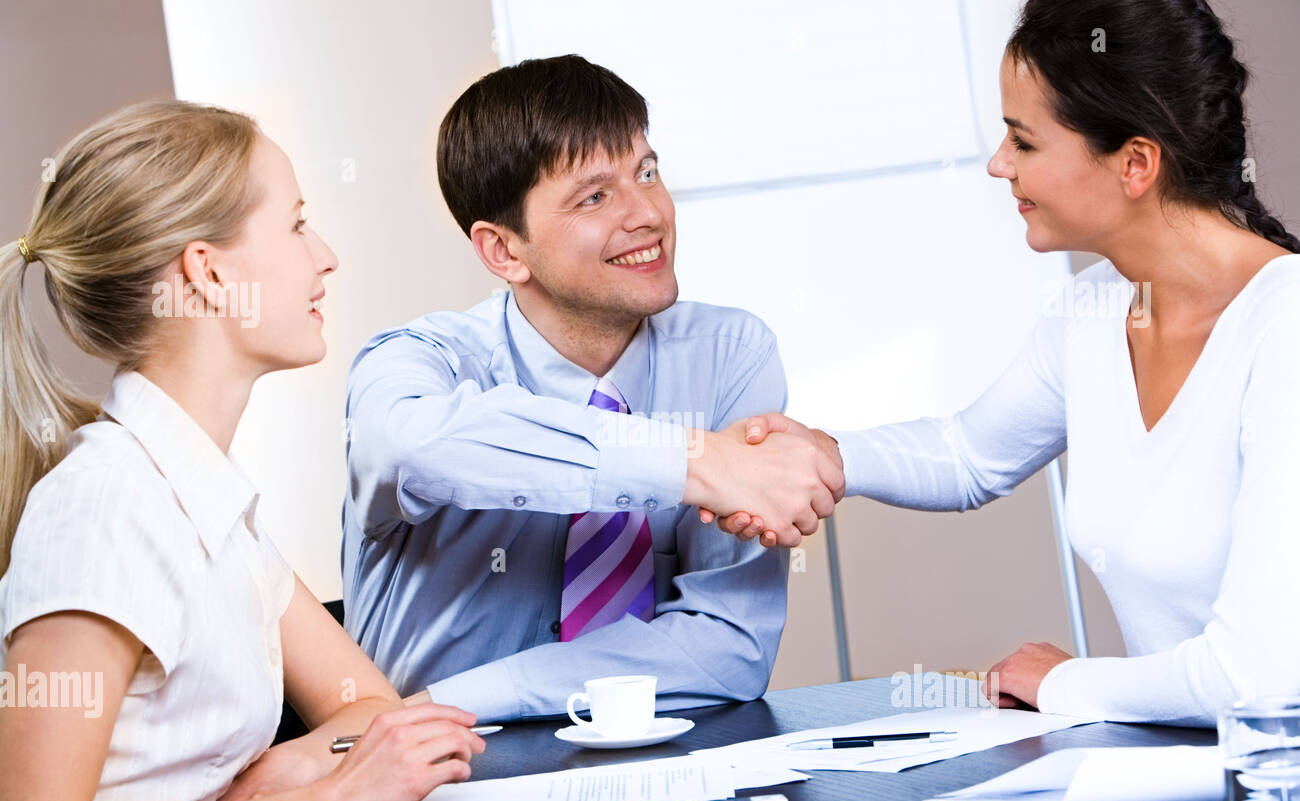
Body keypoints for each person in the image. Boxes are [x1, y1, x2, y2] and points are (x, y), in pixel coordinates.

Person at [709, 0, 1300, 728]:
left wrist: (1068, 682)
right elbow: (968, 455)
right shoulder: (1092, 310)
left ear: (1136, 163)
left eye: (1023, 141)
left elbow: (1259, 676)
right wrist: (824, 455)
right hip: (1194, 784)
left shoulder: (1285, 328)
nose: (998, 165)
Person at [0, 100, 485, 801]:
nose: (324, 255)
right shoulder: (104, 506)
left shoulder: (204, 494)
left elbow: (370, 711)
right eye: (295, 224)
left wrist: (288, 765)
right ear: (210, 272)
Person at [342, 55, 843, 722]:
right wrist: (693, 462)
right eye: (595, 196)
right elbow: (419, 451)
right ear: (503, 252)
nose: (648, 214)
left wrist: (451, 701)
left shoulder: (728, 355)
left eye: (648, 172)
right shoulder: (420, 362)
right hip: (433, 783)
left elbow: (729, 644)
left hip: (619, 758)